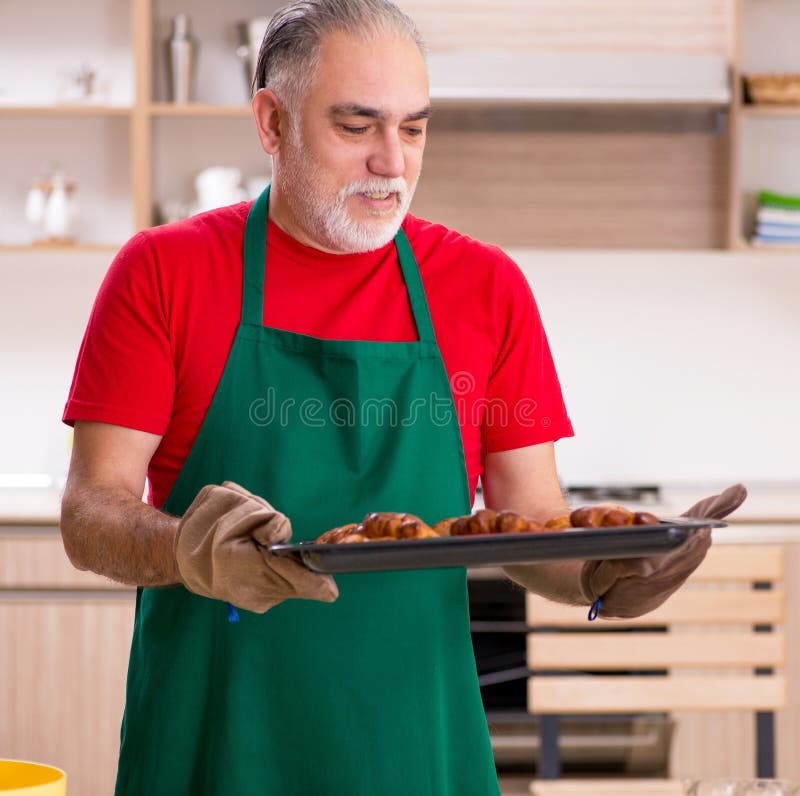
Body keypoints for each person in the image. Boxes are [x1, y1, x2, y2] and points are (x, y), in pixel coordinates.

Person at [59, 1, 746, 794]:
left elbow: (527, 518)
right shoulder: (163, 272)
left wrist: (602, 575)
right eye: (357, 126)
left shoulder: (485, 287)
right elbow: (90, 511)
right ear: (272, 122)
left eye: (413, 129)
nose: (392, 162)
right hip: (216, 747)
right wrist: (185, 546)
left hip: (418, 750)